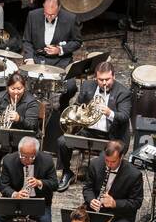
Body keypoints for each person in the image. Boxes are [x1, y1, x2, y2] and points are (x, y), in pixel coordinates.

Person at [55, 60, 132, 191]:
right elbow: (78, 105)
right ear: (96, 77)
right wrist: (80, 112)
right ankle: (67, 172)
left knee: (104, 159)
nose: (104, 83)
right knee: (62, 142)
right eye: (100, 79)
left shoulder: (123, 93)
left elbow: (124, 117)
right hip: (88, 131)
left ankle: (97, 184)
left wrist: (109, 113)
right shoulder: (87, 86)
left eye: (107, 79)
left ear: (113, 76)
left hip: (111, 136)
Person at [0, 136, 57, 222]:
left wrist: (40, 183)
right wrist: (15, 194)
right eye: (23, 156)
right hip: (15, 201)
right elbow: (3, 185)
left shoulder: (47, 160)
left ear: (36, 153)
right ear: (19, 152)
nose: (27, 160)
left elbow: (55, 184)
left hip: (38, 202)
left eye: (31, 157)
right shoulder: (8, 160)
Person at [0, 71, 40, 190]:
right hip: (1, 141)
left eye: (19, 89)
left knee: (11, 159)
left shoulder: (31, 102)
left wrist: (19, 119)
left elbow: (32, 126)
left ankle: (14, 185)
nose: (16, 92)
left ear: (24, 87)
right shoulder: (1, 97)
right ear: (7, 87)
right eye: (13, 89)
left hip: (21, 143)